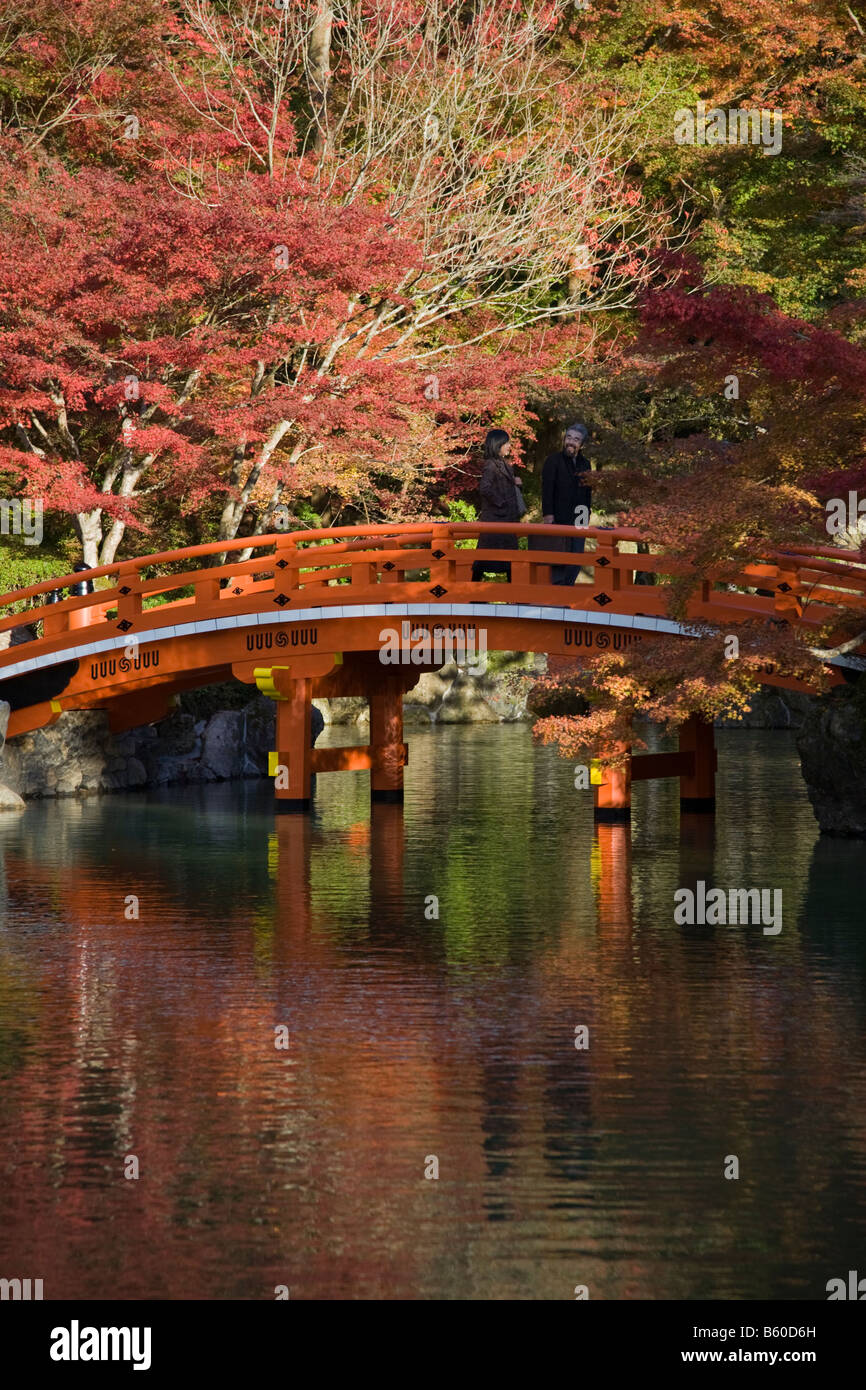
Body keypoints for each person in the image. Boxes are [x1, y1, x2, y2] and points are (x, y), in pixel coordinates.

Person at [533, 422, 599, 585]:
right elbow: (547, 488)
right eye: (568, 437)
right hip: (558, 515)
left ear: (581, 444)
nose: (571, 442)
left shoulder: (585, 463)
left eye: (576, 439)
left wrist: (586, 516)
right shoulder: (553, 460)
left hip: (580, 516)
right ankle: (556, 593)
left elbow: (587, 492)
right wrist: (548, 515)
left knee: (576, 556)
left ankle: (567, 589)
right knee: (558, 556)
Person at [471, 429, 526, 582]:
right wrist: (500, 503)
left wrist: (517, 486)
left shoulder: (504, 465)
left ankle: (512, 596)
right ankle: (475, 597)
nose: (509, 446)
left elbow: (506, 490)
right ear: (498, 444)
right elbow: (485, 488)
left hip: (506, 519)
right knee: (484, 558)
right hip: (495, 519)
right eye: (506, 443)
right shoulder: (491, 465)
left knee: (508, 559)